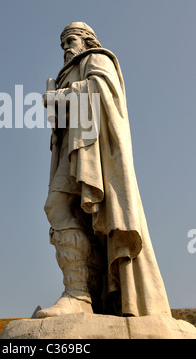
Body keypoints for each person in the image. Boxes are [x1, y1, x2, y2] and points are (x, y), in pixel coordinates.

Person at [34, 22, 171, 318]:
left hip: (93, 150)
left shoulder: (98, 58)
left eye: (70, 40)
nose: (66, 47)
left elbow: (101, 91)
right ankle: (82, 294)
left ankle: (79, 295)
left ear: (87, 41)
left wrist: (62, 96)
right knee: (62, 210)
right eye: (62, 44)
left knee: (60, 206)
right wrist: (54, 107)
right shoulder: (67, 72)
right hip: (72, 148)